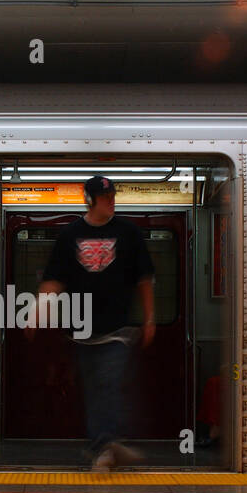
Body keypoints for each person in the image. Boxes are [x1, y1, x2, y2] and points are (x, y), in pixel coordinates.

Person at [34, 176, 155, 472]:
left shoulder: (128, 233)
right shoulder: (70, 235)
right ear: (89, 200)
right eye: (105, 196)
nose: (111, 200)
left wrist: (150, 317)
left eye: (113, 195)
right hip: (82, 331)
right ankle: (102, 445)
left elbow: (144, 279)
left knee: (110, 384)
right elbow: (54, 279)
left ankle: (104, 446)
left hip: (117, 330)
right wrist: (36, 310)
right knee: (95, 391)